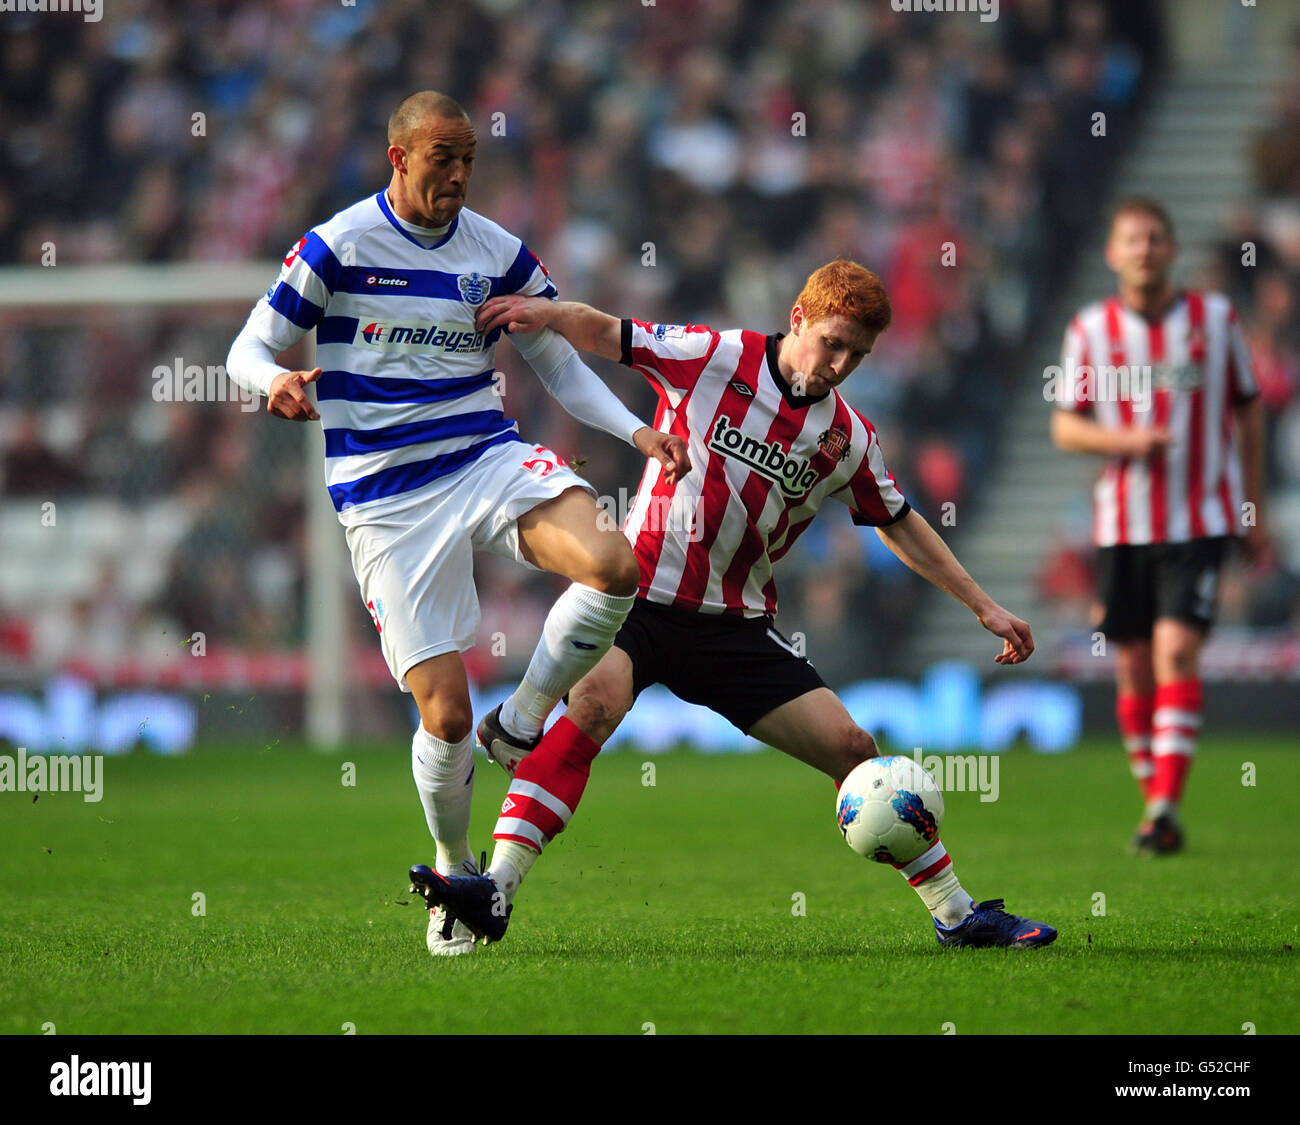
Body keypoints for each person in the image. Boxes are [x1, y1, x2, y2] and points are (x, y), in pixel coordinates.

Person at [409, 259, 1057, 950]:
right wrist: (547, 314)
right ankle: (497, 888)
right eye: (832, 343)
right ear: (799, 318)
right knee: (593, 703)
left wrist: (982, 604)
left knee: (854, 748)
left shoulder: (848, 438)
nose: (840, 364)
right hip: (640, 600)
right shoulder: (716, 355)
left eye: (859, 354)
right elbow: (612, 333)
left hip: (735, 625)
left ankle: (957, 916)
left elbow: (898, 519)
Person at [225, 91, 689, 957]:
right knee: (441, 715)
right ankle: (454, 866)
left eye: (470, 158)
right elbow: (246, 348)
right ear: (398, 157)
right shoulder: (338, 245)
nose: (461, 175)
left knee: (612, 564)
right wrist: (272, 382)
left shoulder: (498, 252)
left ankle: (523, 716)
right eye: (444, 158)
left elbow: (555, 361)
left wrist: (635, 430)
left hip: (482, 455)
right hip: (385, 498)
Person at [1049, 197, 1264, 854]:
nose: (1144, 249)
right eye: (1131, 240)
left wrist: (1254, 505)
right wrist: (1126, 439)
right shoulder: (1089, 329)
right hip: (1121, 526)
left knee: (1176, 650)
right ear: (1113, 254)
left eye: (1155, 239)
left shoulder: (1217, 320)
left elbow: (1249, 411)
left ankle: (1165, 803)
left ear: (1171, 250)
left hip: (1201, 519)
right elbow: (1065, 424)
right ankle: (1156, 802)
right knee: (1135, 663)